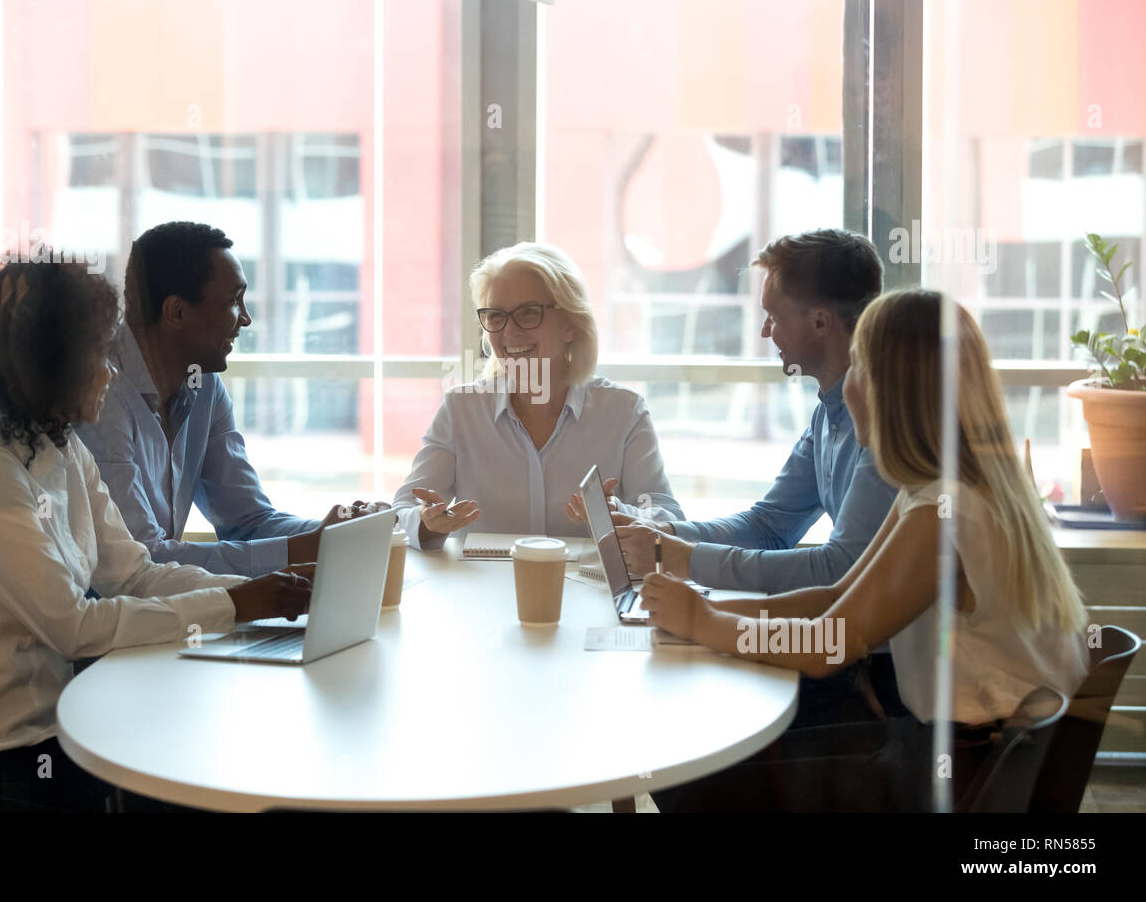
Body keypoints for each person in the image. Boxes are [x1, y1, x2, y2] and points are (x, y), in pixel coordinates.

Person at [639, 289, 1090, 811]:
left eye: (857, 364)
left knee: (692, 765)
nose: (846, 381)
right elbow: (833, 596)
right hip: (976, 754)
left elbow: (827, 645)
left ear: (888, 389)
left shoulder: (944, 512)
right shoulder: (942, 491)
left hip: (964, 772)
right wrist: (705, 614)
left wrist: (702, 622)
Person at [0, 256, 313, 811]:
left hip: (49, 733)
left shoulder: (64, 447)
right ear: (52, 366)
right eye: (98, 356)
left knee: (189, 761)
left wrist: (260, 594)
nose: (111, 372)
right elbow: (73, 627)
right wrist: (234, 604)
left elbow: (134, 572)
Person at [571, 228, 903, 724]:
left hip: (878, 681)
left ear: (819, 321)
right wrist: (663, 537)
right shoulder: (830, 412)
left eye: (772, 316)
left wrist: (684, 563)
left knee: (680, 706)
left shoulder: (886, 428)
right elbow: (770, 526)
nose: (765, 332)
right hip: (846, 654)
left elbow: (839, 572)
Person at [76, 222, 380, 580]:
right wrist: (300, 549)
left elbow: (247, 521)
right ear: (176, 312)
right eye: (234, 301)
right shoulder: (100, 393)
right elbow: (141, 559)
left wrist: (337, 532)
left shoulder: (204, 385)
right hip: (104, 617)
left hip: (162, 607)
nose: (246, 319)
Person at [393, 241, 683, 549]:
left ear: (570, 324)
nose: (509, 331)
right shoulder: (461, 409)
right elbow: (402, 513)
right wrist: (428, 522)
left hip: (590, 593)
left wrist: (616, 513)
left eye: (528, 313)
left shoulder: (623, 411)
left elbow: (669, 518)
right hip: (481, 593)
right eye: (495, 316)